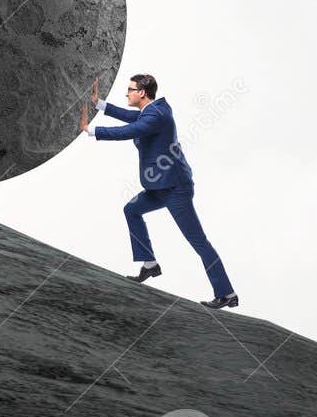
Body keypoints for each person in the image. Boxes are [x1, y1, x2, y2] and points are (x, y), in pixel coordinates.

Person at [81, 73, 238, 310]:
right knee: (132, 210)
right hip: (159, 186)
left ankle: (227, 293)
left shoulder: (156, 116)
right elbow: (131, 116)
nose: (127, 93)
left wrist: (91, 130)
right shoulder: (151, 111)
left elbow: (130, 130)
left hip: (176, 190)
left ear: (142, 93)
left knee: (199, 242)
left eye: (130, 89)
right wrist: (99, 104)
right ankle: (150, 264)